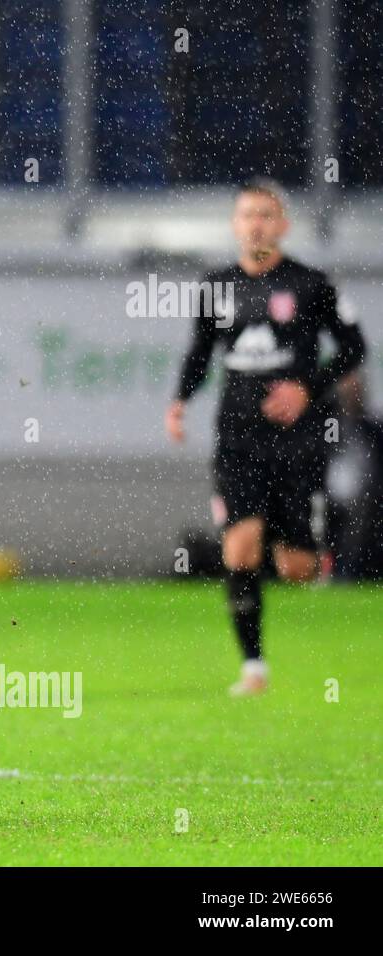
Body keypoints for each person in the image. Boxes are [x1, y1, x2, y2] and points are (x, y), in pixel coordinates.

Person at [166, 178, 367, 696]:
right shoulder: (217, 286)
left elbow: (353, 347)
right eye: (247, 215)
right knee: (239, 546)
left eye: (265, 215)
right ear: (235, 225)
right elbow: (200, 351)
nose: (256, 223)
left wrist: (306, 387)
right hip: (237, 436)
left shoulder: (312, 285)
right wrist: (179, 401)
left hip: (298, 440)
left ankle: (303, 538)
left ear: (283, 225)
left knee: (296, 568)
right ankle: (253, 667)